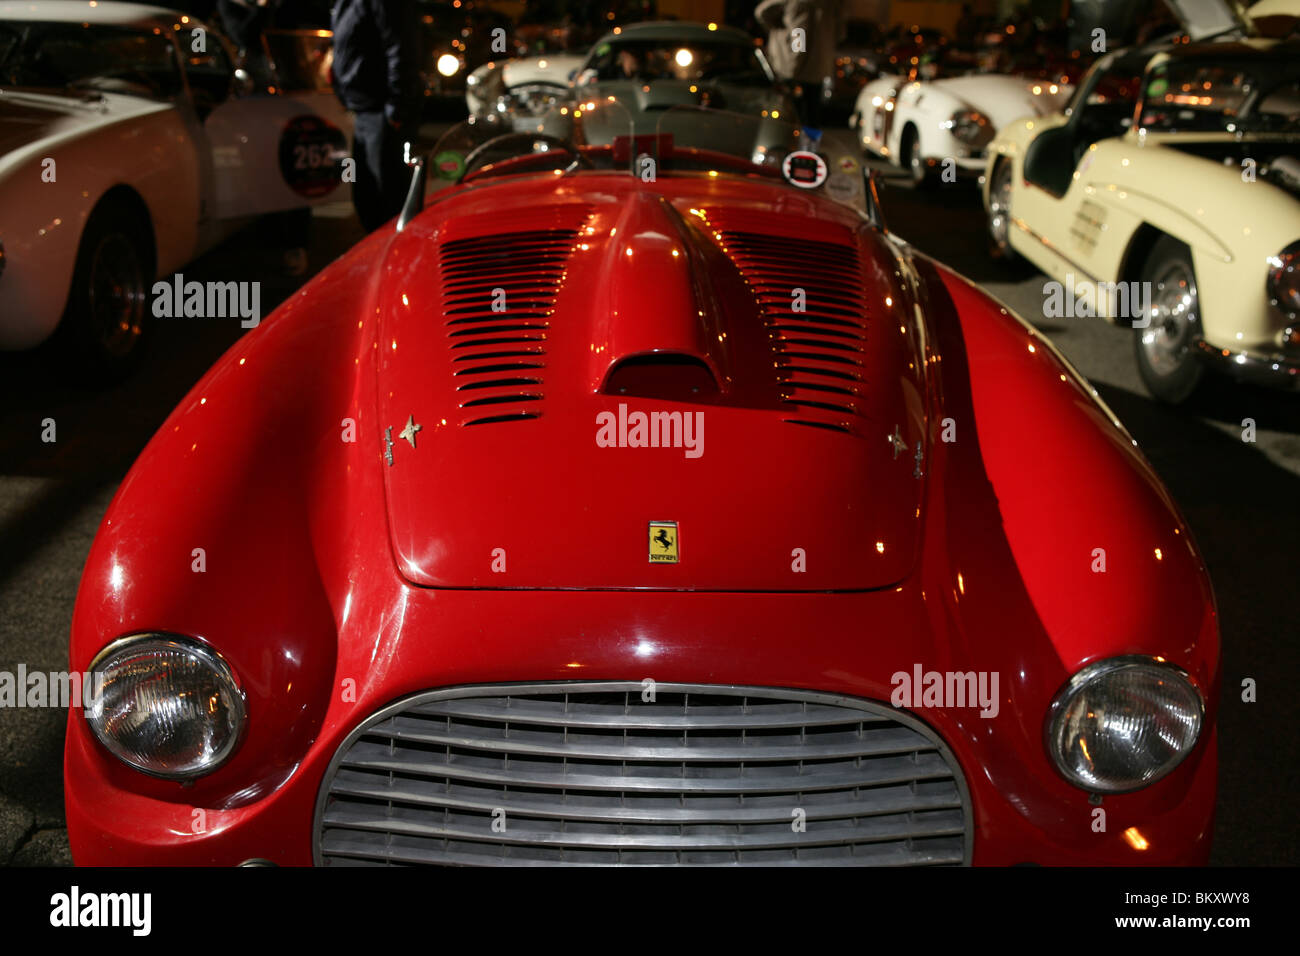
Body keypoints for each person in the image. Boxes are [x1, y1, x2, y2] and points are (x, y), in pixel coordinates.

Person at [329, 0, 419, 232]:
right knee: (366, 196)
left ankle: (396, 257)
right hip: (362, 110)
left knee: (387, 198)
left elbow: (400, 48)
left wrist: (395, 109)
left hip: (380, 111)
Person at [755, 0, 842, 132]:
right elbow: (840, 34)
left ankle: (799, 149)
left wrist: (792, 70)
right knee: (812, 118)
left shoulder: (798, 5)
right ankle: (809, 149)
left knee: (793, 119)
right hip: (816, 72)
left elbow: (799, 37)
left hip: (797, 73)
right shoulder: (830, 5)